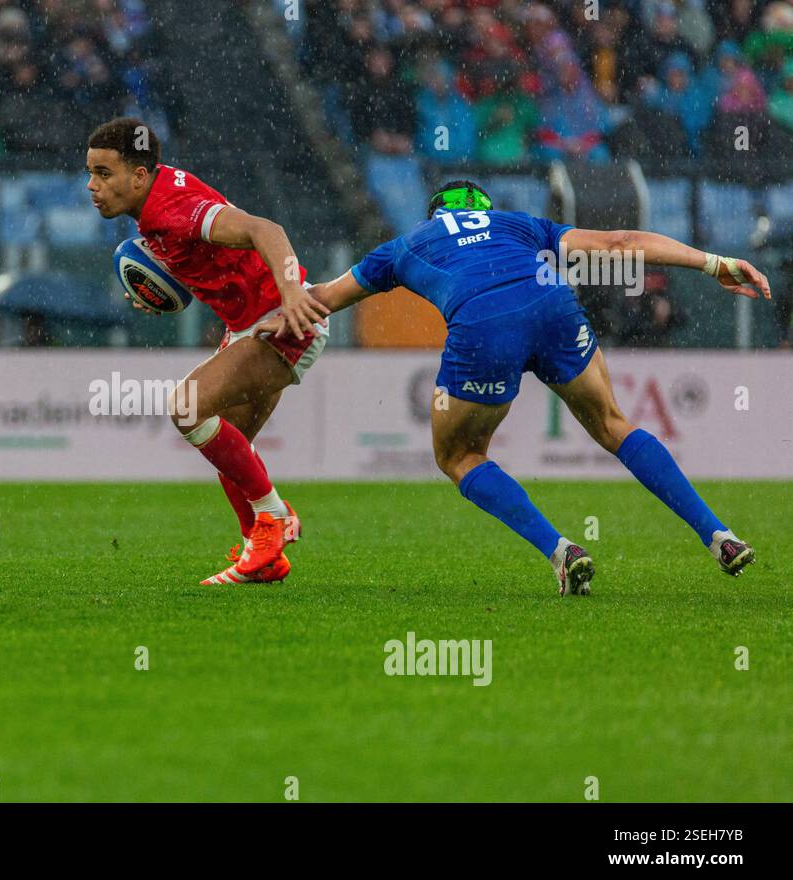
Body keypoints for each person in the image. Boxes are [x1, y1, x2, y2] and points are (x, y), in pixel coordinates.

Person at [288, 180, 766, 594]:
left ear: (436, 215)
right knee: (613, 425)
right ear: (484, 208)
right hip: (553, 305)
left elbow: (322, 300)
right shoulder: (518, 224)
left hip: (483, 322)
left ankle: (560, 550)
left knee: (459, 457)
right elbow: (619, 243)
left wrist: (263, 318)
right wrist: (712, 263)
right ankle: (719, 535)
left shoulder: (407, 244)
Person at [85, 117, 331, 585]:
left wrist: (293, 295)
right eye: (91, 173)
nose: (92, 186)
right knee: (232, 451)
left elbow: (267, 230)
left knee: (185, 408)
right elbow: (203, 261)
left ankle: (273, 519)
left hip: (283, 319)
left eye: (103, 173)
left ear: (138, 176)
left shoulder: (173, 209)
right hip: (251, 322)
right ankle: (263, 557)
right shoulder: (156, 202)